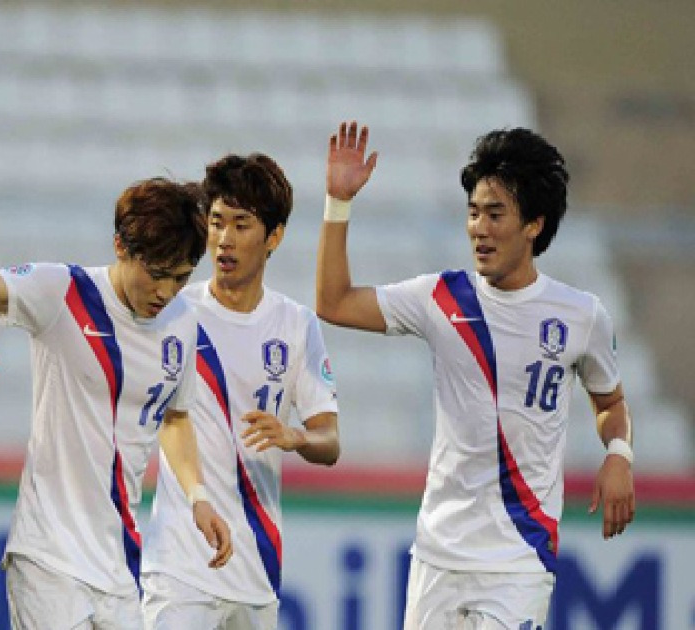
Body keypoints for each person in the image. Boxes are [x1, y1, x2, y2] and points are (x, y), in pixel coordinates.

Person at [315, 122, 635, 629]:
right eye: (472, 213)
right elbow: (333, 303)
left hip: (519, 559)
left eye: (494, 214)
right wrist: (338, 203)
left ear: (533, 223)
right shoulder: (440, 298)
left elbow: (611, 403)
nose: (479, 228)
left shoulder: (581, 315)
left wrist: (618, 455)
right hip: (438, 554)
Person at [0, 177, 234, 630]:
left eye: (180, 277)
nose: (166, 291)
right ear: (121, 247)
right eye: (158, 273)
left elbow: (176, 416)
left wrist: (199, 495)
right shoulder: (64, 292)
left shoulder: (183, 322)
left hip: (119, 566)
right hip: (50, 561)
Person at [141, 154, 341, 629]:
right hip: (180, 566)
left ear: (274, 236)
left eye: (241, 225)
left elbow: (330, 441)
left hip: (256, 570)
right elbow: (166, 416)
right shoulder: (176, 312)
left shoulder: (296, 325)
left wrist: (295, 437)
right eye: (216, 222)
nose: (224, 239)